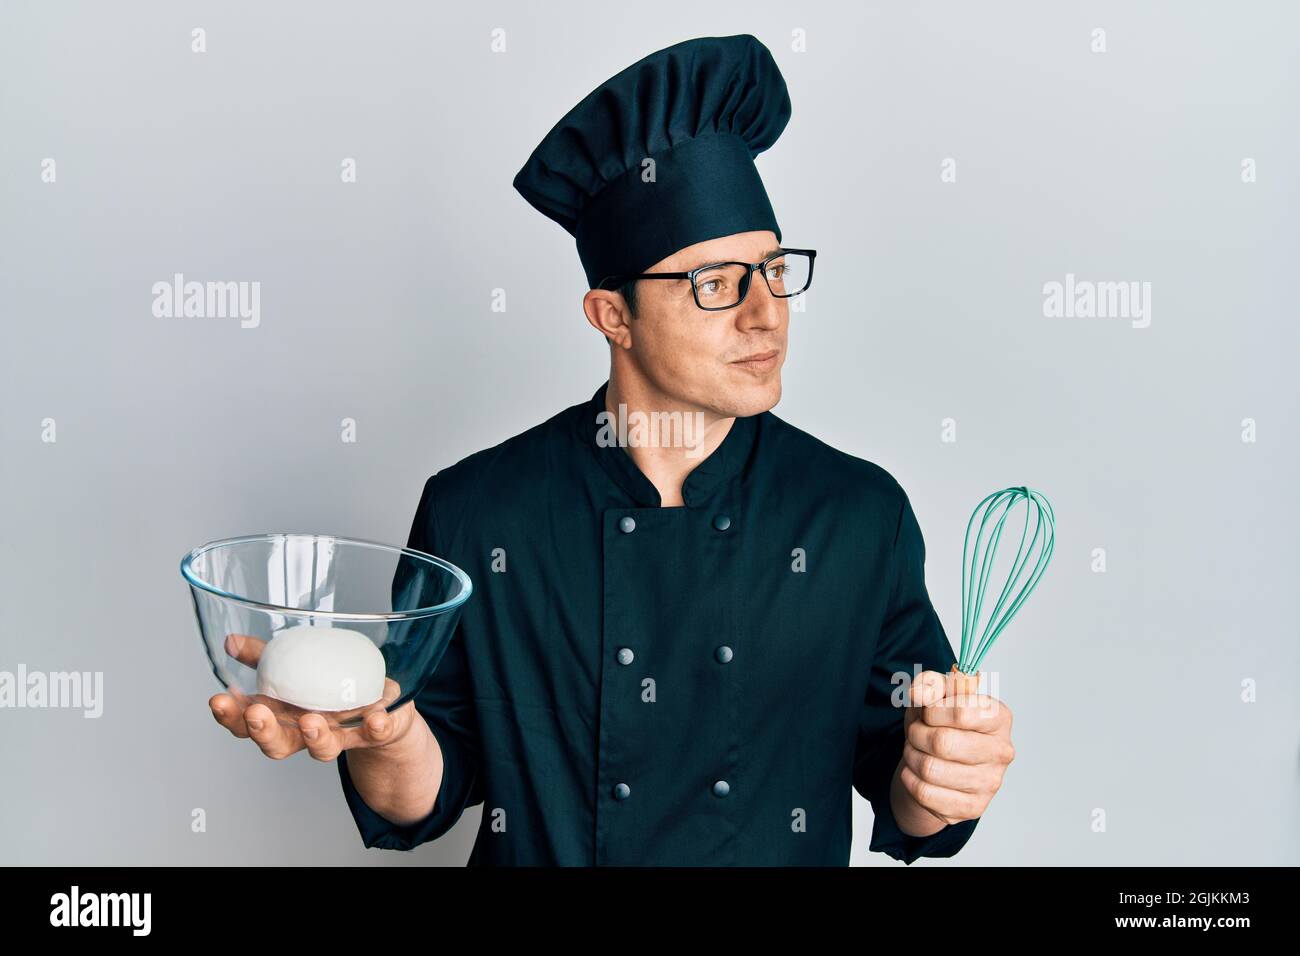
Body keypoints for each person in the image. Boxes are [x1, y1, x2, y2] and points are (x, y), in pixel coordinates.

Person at [209, 33, 1015, 866]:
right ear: (612, 317)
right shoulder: (480, 509)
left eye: (775, 271)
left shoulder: (857, 514)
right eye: (713, 283)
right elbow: (423, 797)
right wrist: (382, 731)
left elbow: (909, 777)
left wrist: (939, 782)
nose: (765, 314)